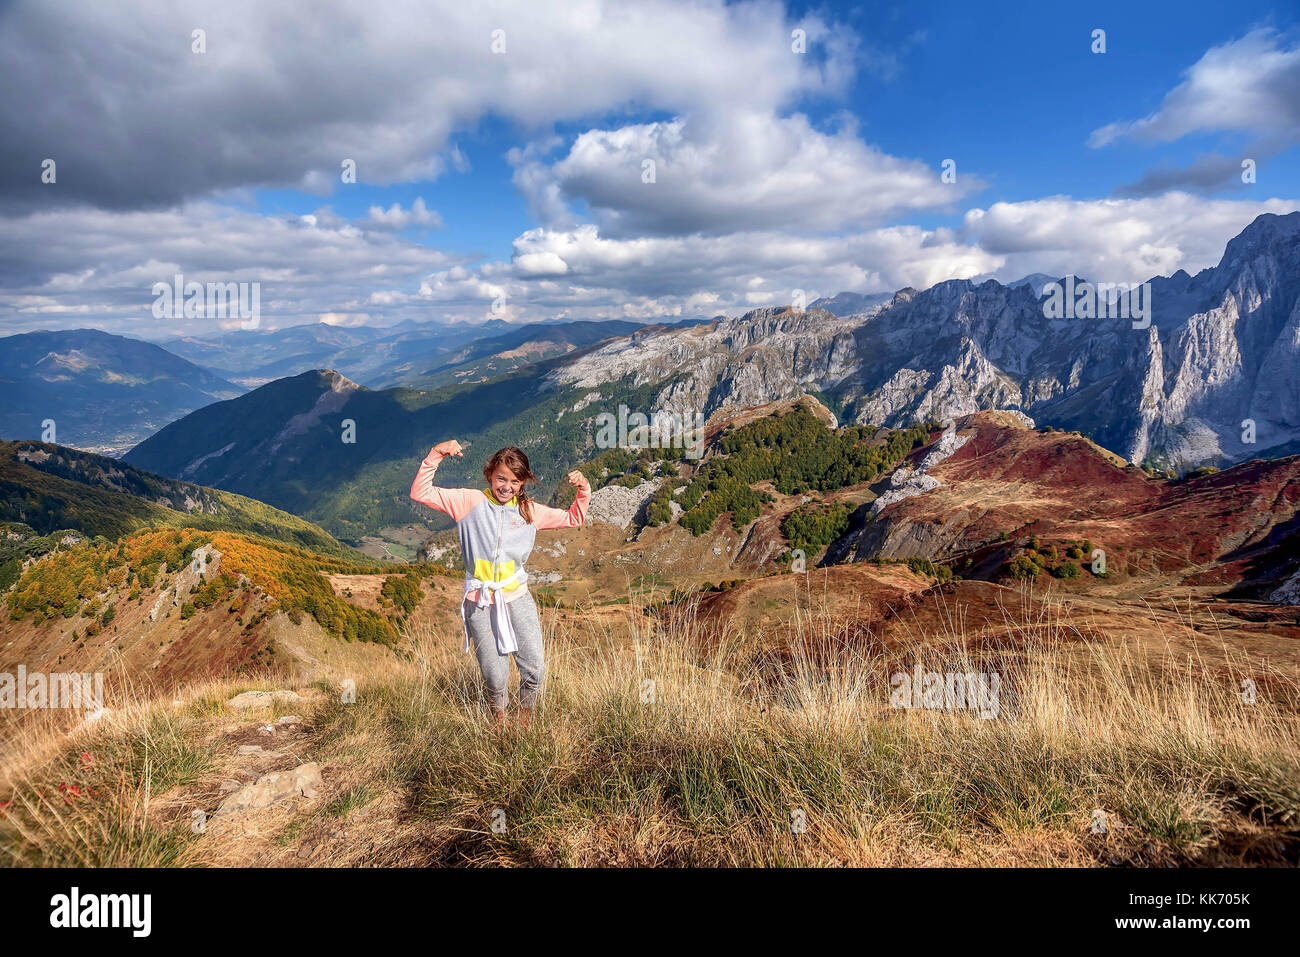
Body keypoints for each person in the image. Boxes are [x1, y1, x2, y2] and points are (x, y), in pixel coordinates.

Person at [409, 440, 590, 727]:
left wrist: (584, 490)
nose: (506, 486)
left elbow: (574, 517)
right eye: (501, 478)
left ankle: (524, 718)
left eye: (515, 481)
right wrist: (436, 454)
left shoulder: (530, 511)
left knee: (535, 668)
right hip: (479, 600)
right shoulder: (469, 502)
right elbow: (420, 492)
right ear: (490, 475)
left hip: (516, 597)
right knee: (494, 674)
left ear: (522, 482)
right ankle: (500, 722)